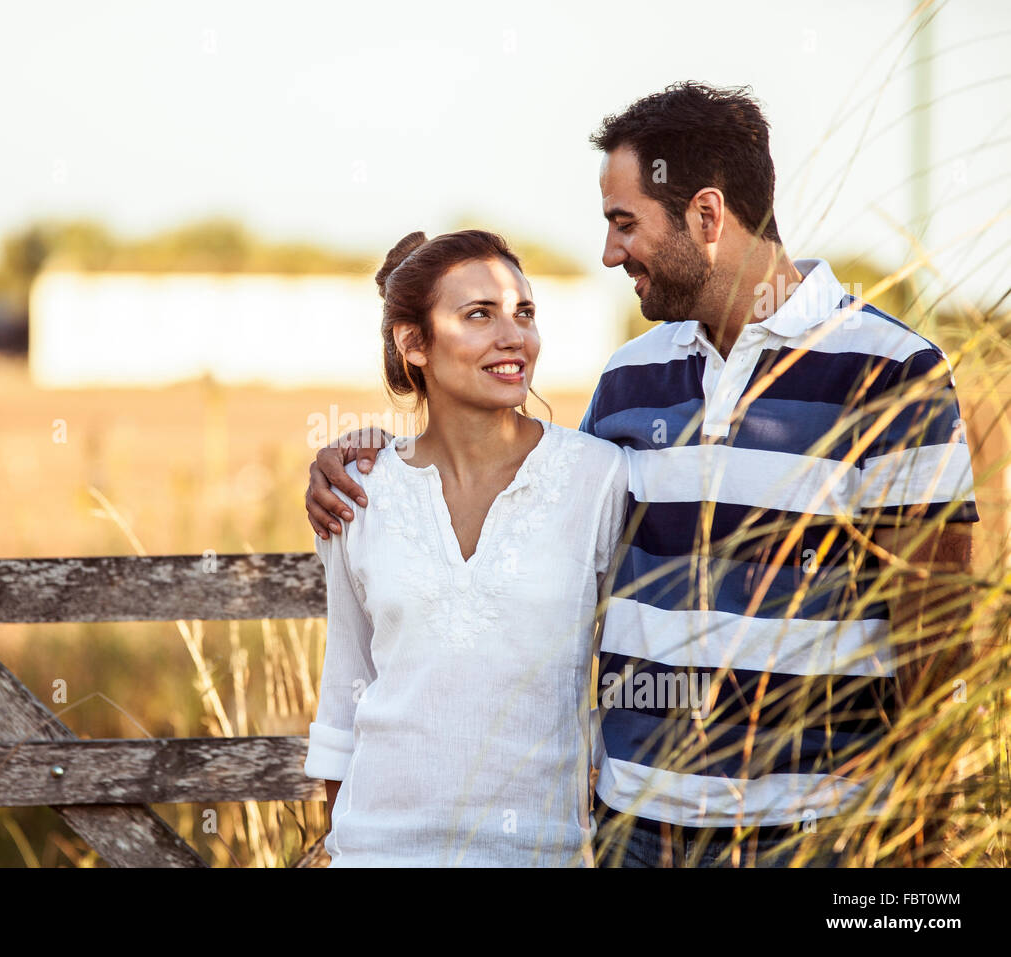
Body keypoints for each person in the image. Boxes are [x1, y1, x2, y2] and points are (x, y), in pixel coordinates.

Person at [305, 83, 979, 867]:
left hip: (818, 842)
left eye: (624, 223)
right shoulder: (630, 381)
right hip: (638, 841)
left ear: (706, 216)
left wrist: (923, 855)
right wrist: (366, 457)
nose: (610, 253)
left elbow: (938, 643)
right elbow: (524, 487)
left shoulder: (894, 374)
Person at [301, 228, 628, 866]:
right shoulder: (359, 489)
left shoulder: (599, 478)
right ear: (413, 343)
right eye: (478, 314)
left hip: (538, 852)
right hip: (377, 853)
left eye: (524, 313)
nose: (514, 337)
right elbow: (345, 691)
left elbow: (629, 672)